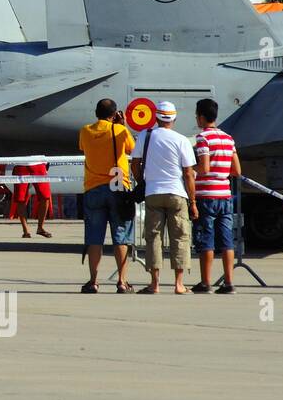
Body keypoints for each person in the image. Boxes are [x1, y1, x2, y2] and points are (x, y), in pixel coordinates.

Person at [131, 100, 197, 295]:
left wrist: (142, 180)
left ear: (156, 117)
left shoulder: (145, 136)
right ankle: (179, 284)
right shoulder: (182, 140)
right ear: (174, 118)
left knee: (153, 238)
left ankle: (155, 283)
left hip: (153, 193)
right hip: (177, 193)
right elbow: (188, 174)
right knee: (180, 238)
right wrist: (193, 202)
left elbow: (135, 164)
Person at [78, 99, 136, 293]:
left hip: (93, 187)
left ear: (96, 112)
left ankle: (93, 281)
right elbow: (130, 148)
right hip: (118, 186)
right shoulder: (119, 130)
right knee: (121, 235)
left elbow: (83, 148)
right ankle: (122, 281)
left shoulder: (85, 130)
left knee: (94, 237)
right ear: (114, 115)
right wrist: (123, 125)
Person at [191, 98, 242, 294]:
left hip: (207, 195)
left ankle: (206, 282)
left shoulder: (203, 138)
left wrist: (188, 169)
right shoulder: (228, 138)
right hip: (225, 195)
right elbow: (236, 170)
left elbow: (203, 168)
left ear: (202, 117)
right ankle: (229, 282)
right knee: (227, 240)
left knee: (206, 239)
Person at [11, 160, 53, 239]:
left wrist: (47, 163)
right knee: (20, 199)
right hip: (21, 164)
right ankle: (26, 231)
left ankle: (40, 228)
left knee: (45, 196)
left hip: (39, 163)